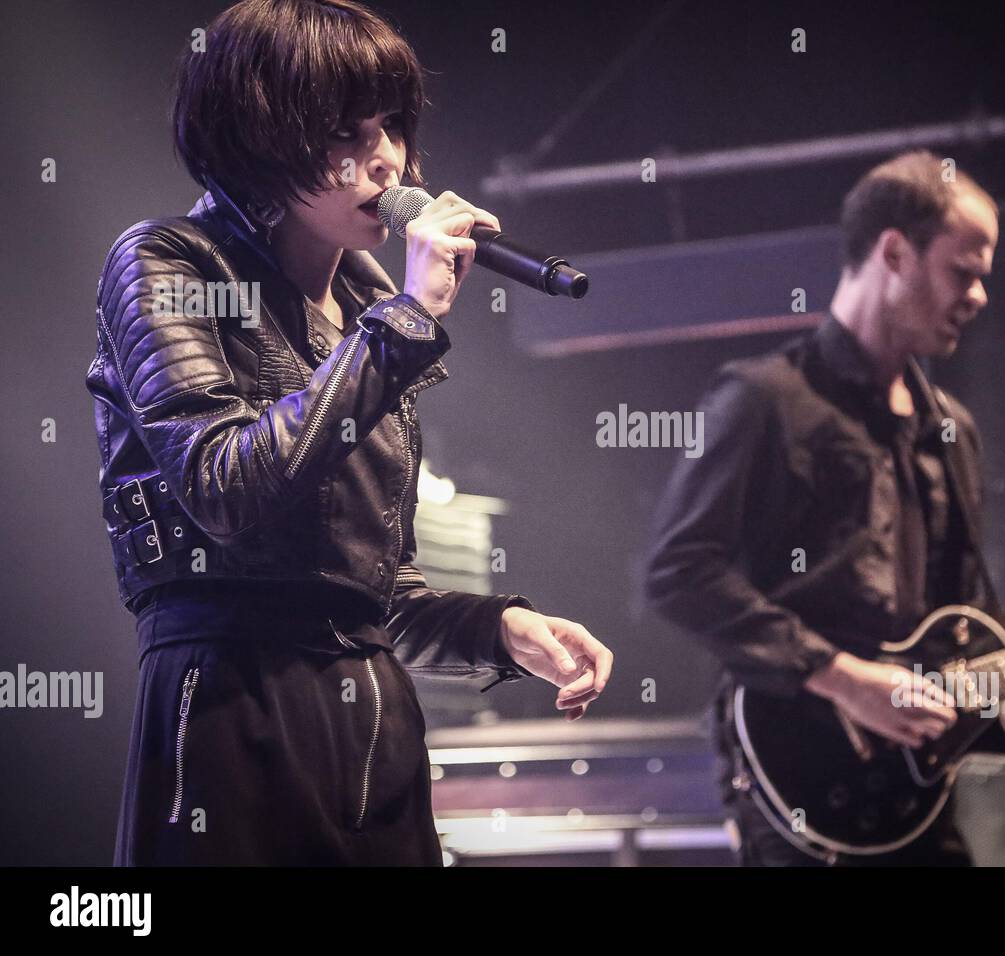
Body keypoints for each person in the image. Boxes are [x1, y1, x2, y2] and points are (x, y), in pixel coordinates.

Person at [87, 0, 612, 866]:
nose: (387, 159)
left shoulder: (368, 308)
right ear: (257, 137)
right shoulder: (168, 261)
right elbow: (226, 487)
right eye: (345, 132)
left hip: (375, 727)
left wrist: (503, 631)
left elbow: (371, 592)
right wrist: (408, 319)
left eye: (392, 127)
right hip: (230, 711)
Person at [643, 150, 1005, 867]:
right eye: (963, 272)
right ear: (895, 252)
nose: (979, 296)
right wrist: (844, 677)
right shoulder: (764, 400)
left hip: (914, 789)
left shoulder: (952, 428)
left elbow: (965, 627)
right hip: (797, 773)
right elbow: (677, 572)